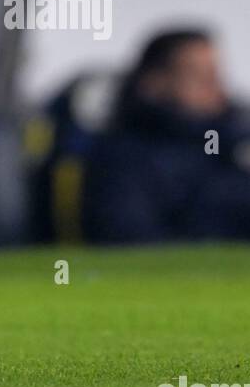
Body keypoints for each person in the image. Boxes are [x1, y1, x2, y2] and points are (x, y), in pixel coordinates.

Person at [83, 30, 250, 244]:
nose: (213, 86)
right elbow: (130, 236)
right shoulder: (126, 158)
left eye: (215, 74)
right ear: (154, 83)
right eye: (197, 76)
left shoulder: (234, 144)